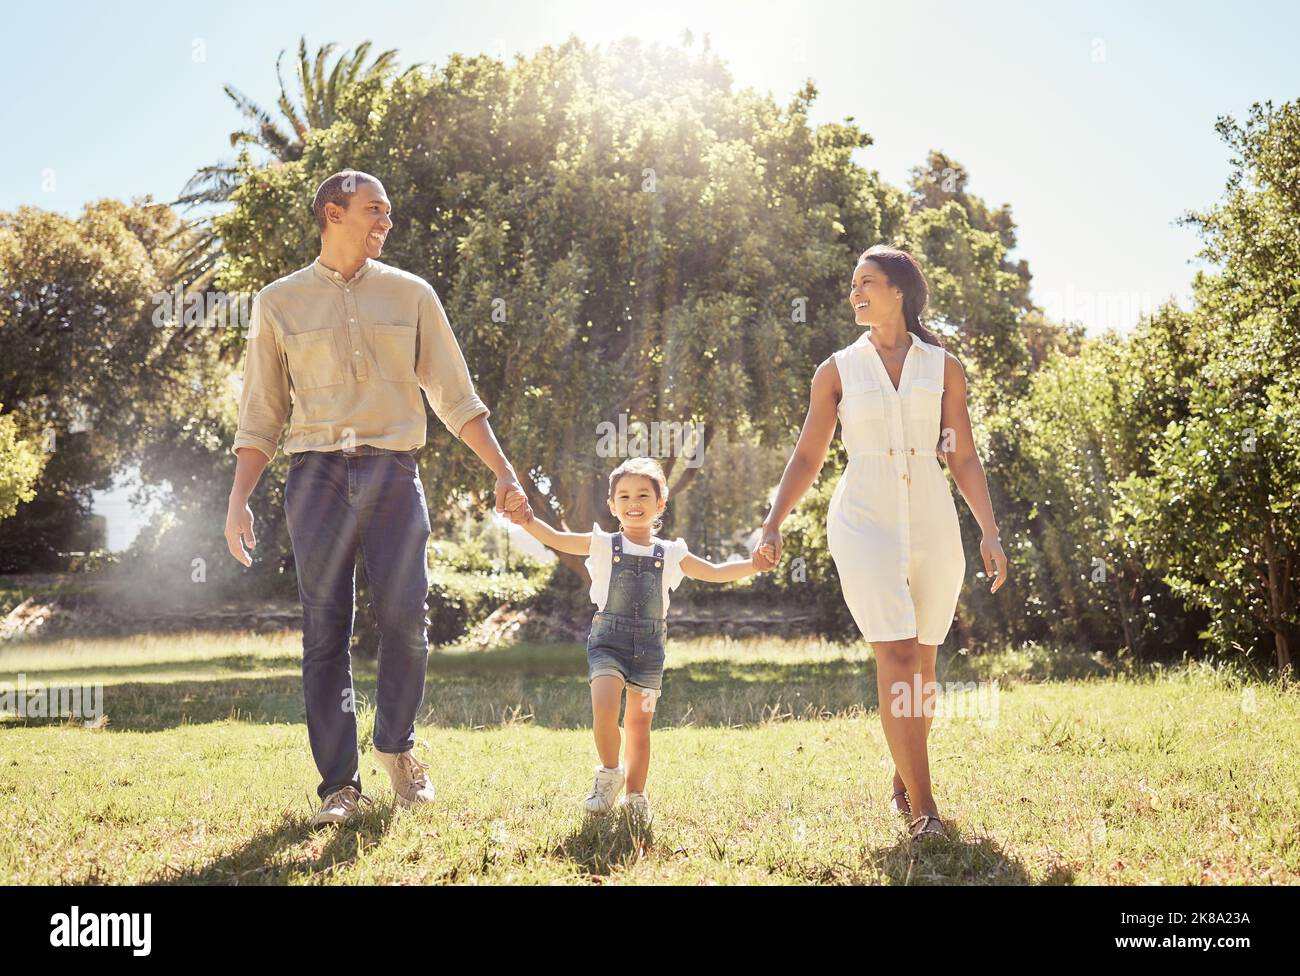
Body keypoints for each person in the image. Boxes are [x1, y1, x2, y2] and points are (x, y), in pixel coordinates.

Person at [223, 169, 532, 828]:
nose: (386, 222)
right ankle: (339, 787)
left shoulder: (412, 294)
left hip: (394, 472)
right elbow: (262, 413)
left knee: (408, 621)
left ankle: (396, 747)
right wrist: (239, 498)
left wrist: (504, 470)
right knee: (324, 632)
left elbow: (455, 394)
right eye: (374, 210)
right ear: (333, 213)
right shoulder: (278, 303)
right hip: (315, 477)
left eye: (388, 211)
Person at [753, 244, 1008, 842]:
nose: (855, 293)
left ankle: (904, 771)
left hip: (931, 517)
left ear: (899, 289)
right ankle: (926, 812)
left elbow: (961, 453)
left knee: (922, 662)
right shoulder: (837, 370)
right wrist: (773, 521)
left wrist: (989, 530)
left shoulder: (942, 366)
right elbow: (809, 454)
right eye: (851, 285)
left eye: (865, 282)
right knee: (894, 655)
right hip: (863, 516)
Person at [515, 456, 774, 824]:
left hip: (649, 651)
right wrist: (527, 520)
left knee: (639, 726)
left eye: (642, 495)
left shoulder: (671, 553)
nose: (633, 503)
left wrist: (754, 564)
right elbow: (557, 539)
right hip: (608, 642)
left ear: (660, 504)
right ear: (612, 505)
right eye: (624, 496)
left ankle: (636, 796)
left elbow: (715, 572)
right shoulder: (604, 545)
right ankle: (609, 773)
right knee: (604, 707)